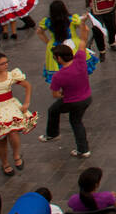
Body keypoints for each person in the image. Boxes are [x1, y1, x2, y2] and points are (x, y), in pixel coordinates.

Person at [39, 20, 95, 158]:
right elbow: (83, 40)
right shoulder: (80, 59)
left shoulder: (59, 76)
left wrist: (63, 94)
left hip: (72, 101)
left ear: (59, 58)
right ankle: (82, 149)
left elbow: (55, 94)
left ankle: (54, 135)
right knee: (76, 121)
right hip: (87, 98)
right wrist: (83, 28)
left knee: (56, 111)